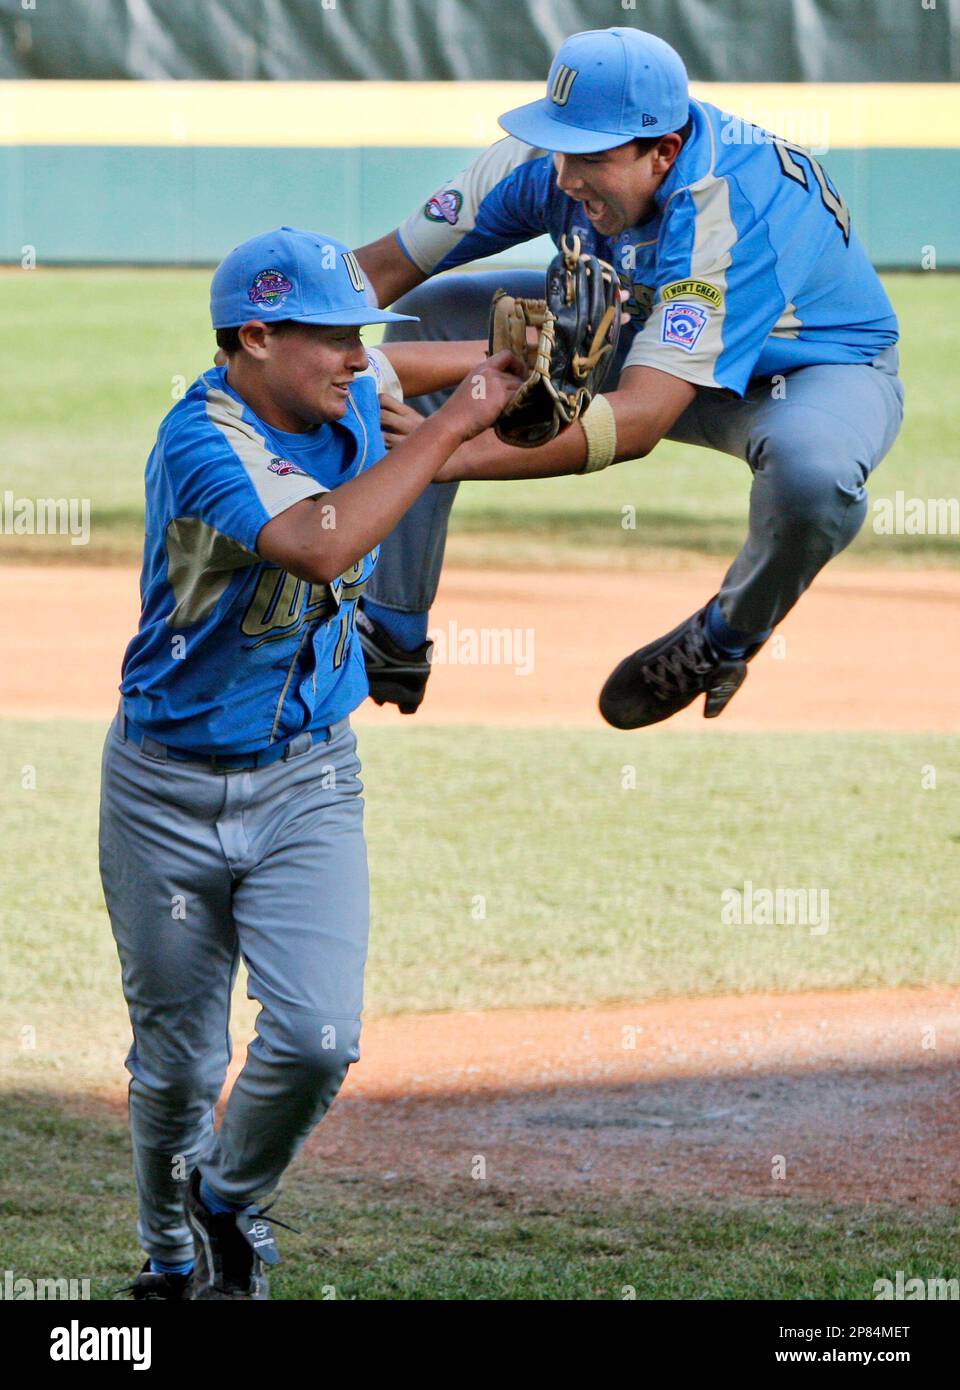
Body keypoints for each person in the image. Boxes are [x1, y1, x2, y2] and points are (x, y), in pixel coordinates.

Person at [100, 226, 523, 1300]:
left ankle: (226, 1202)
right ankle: (169, 1262)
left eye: (358, 337)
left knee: (321, 1034)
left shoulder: (333, 385)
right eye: (331, 338)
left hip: (309, 776)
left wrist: (508, 365)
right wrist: (455, 426)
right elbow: (324, 541)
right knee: (182, 1065)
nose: (356, 356)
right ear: (255, 337)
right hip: (166, 788)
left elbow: (418, 364)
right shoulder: (205, 439)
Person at [353, 26, 904, 727]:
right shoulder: (541, 162)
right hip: (639, 324)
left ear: (663, 153)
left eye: (590, 155)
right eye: (559, 141)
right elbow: (381, 270)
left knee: (813, 475)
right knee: (432, 313)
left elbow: (640, 418)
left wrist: (439, 452)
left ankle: (726, 635)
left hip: (809, 367)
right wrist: (271, 333)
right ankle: (391, 632)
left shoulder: (729, 208)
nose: (564, 175)